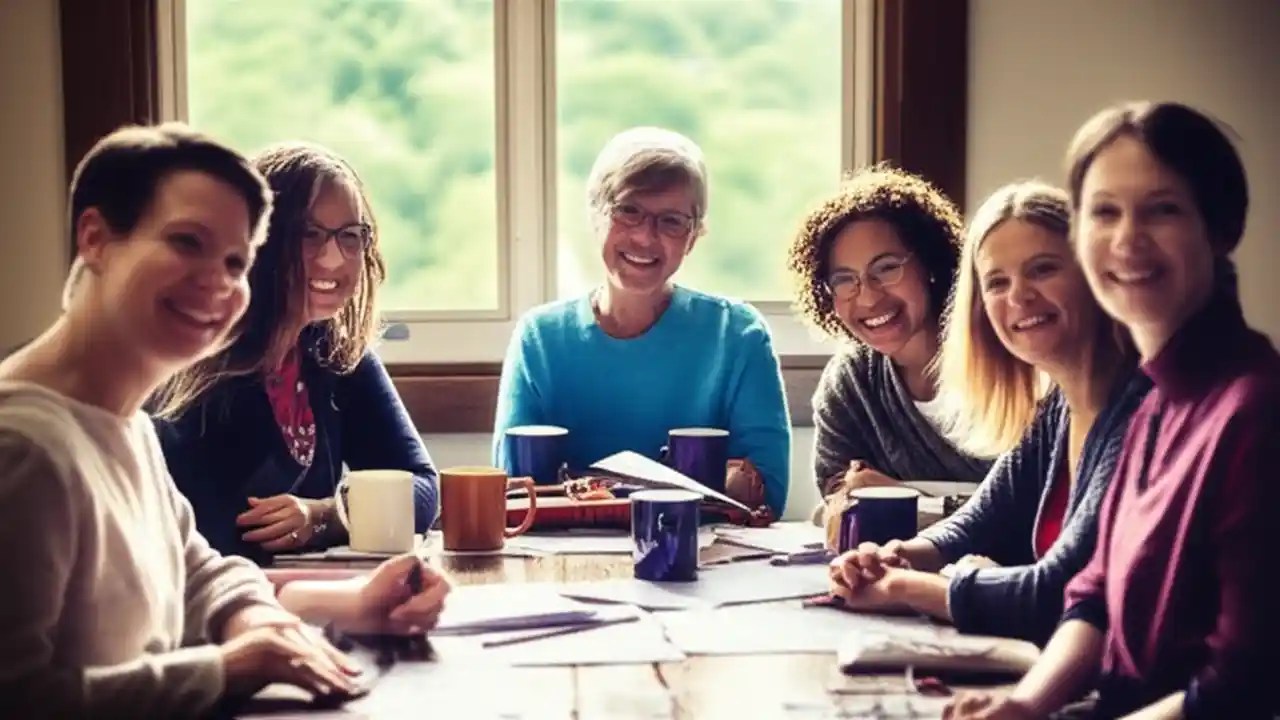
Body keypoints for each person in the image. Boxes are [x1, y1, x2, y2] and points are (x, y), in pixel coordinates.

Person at [0, 124, 448, 718]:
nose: (220, 283)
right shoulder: (23, 449)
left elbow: (200, 575)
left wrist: (335, 609)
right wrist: (229, 668)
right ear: (97, 239)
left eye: (237, 260)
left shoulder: (121, 422)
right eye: (187, 242)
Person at [945, 102, 1278, 720]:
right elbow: (1094, 596)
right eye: (1104, 212)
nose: (1127, 240)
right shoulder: (1155, 402)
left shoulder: (1255, 412)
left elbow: (1244, 688)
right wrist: (1024, 705)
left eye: (1163, 210)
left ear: (1222, 227)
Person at [826, 181, 1149, 646]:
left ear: (1094, 273)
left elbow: (1058, 593)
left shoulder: (1140, 407)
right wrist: (892, 556)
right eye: (997, 282)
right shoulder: (1057, 405)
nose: (1018, 298)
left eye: (1042, 270)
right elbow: (980, 521)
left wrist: (907, 587)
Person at [151, 142, 439, 564]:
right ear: (258, 240)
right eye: (309, 235)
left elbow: (423, 489)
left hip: (307, 596)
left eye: (350, 236)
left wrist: (326, 516)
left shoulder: (337, 353)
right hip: (218, 611)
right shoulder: (200, 365)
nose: (333, 258)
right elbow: (216, 538)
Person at [492, 126, 791, 517]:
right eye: (628, 211)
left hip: (701, 560)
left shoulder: (737, 335)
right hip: (563, 558)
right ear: (595, 214)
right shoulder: (540, 338)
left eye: (671, 221)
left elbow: (769, 493)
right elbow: (509, 489)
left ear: (694, 236)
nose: (646, 237)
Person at [786, 165, 991, 516]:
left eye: (886, 269)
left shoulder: (1003, 357)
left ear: (929, 263)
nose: (867, 298)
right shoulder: (851, 380)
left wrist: (908, 498)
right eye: (845, 279)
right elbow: (838, 502)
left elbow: (1035, 508)